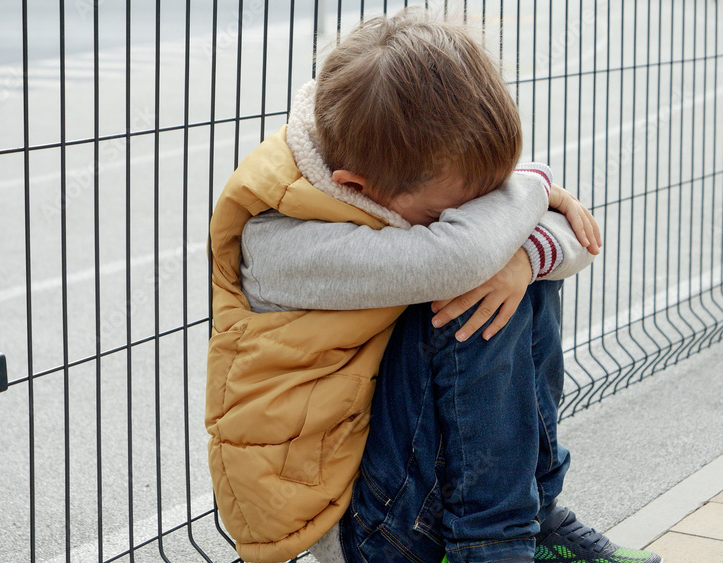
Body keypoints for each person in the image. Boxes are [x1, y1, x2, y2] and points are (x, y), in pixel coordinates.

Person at [206, 9, 661, 563]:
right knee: (474, 285)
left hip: (399, 474)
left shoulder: (376, 167)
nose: (465, 217)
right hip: (358, 524)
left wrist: (524, 253)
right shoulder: (286, 238)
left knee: (511, 274)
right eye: (447, 211)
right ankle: (494, 546)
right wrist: (535, 185)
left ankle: (532, 520)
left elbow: (576, 240)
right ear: (358, 186)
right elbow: (460, 256)